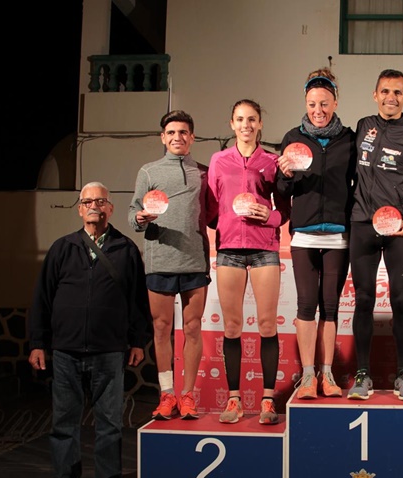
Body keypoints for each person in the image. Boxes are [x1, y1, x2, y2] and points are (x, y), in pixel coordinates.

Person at [28, 182, 150, 478]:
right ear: (80, 209)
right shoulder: (62, 248)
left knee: (110, 422)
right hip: (66, 350)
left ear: (110, 208)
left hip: (109, 350)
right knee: (64, 421)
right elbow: (42, 298)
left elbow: (138, 300)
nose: (94, 205)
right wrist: (38, 343)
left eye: (100, 200)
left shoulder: (125, 250)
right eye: (87, 201)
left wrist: (138, 340)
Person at [347, 68, 403, 401]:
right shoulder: (362, 126)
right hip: (362, 225)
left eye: (397, 92)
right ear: (375, 94)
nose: (390, 98)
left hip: (398, 230)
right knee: (364, 300)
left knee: (400, 301)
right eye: (385, 91)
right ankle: (363, 374)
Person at [206, 99, 290, 424]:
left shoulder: (271, 162)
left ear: (259, 124)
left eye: (251, 119)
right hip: (228, 249)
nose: (246, 125)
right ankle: (234, 400)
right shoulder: (218, 160)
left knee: (267, 325)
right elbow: (212, 207)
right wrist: (226, 223)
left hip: (264, 248)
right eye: (240, 119)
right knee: (232, 327)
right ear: (231, 123)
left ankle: (268, 401)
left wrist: (269, 217)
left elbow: (285, 209)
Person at [277, 68, 356, 399]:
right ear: (305, 103)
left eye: (324, 103)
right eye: (312, 104)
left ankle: (328, 375)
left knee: (331, 305)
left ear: (335, 102)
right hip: (304, 234)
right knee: (307, 304)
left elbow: (361, 184)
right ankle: (308, 376)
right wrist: (285, 174)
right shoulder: (293, 138)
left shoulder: (349, 139)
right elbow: (282, 189)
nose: (318, 111)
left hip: (339, 234)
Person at [128, 110, 211, 421]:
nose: (178, 137)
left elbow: (212, 213)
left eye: (184, 132)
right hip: (159, 260)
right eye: (172, 132)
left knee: (192, 328)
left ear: (192, 137)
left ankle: (187, 395)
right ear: (163, 138)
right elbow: (134, 212)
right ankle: (166, 394)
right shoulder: (148, 172)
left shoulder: (203, 172)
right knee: (161, 329)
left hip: (194, 261)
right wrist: (139, 218)